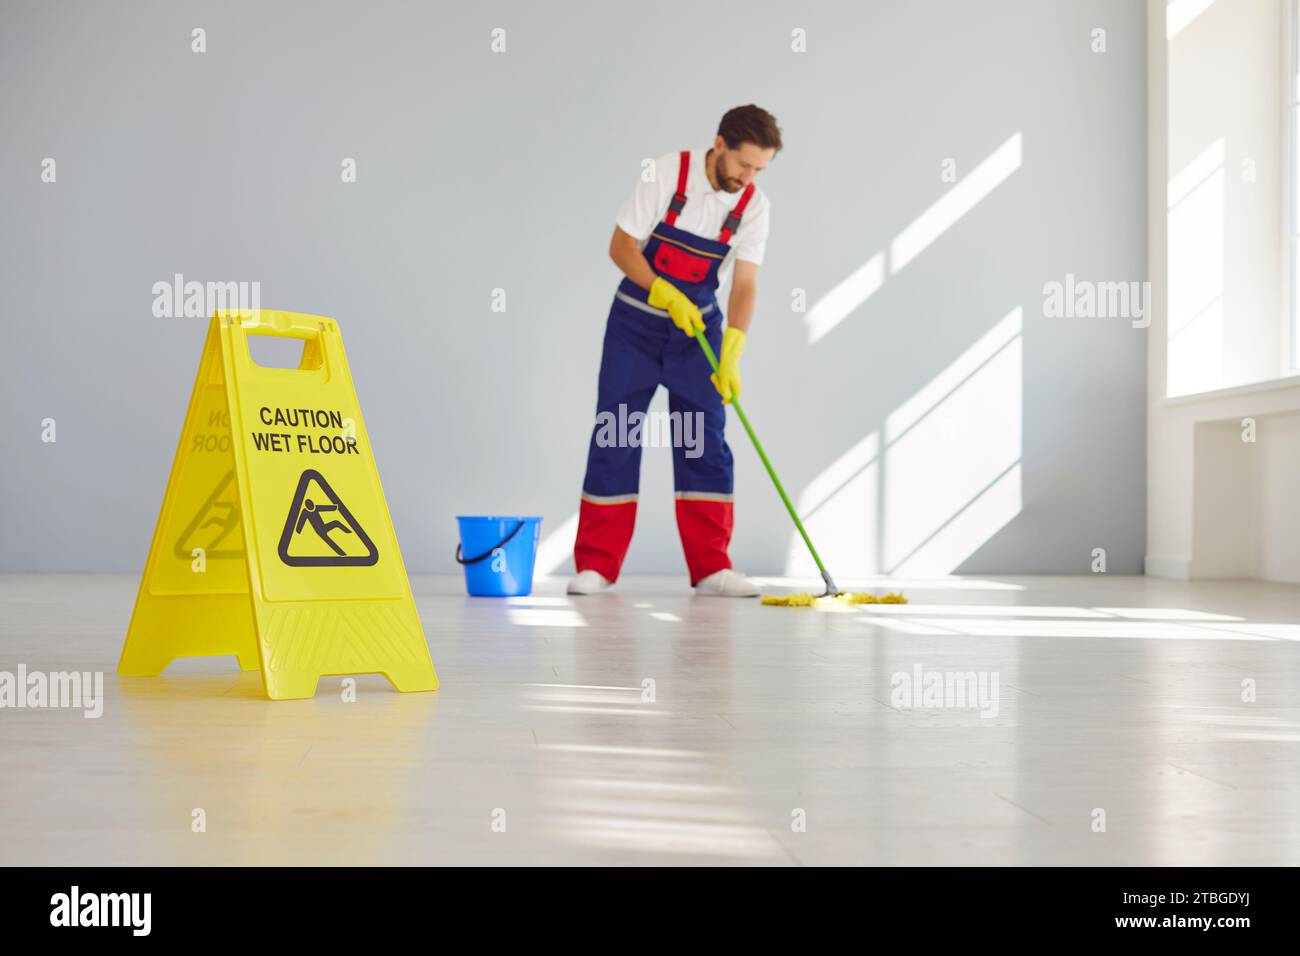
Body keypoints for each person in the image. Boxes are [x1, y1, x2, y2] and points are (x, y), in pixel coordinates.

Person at [569, 105, 781, 597]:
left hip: (697, 334)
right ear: (720, 144)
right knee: (616, 434)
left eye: (760, 170)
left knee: (703, 439)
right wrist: (662, 291)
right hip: (635, 326)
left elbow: (745, 283)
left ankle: (712, 568)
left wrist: (734, 346)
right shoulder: (668, 172)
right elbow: (621, 247)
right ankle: (596, 565)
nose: (749, 178)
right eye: (743, 165)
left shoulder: (754, 205)